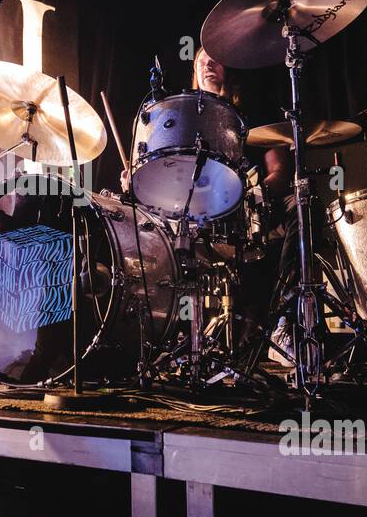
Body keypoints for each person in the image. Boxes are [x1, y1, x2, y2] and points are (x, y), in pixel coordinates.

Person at [120, 47, 297, 366]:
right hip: (185, 216)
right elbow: (150, 169)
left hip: (247, 213)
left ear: (229, 71)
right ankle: (157, 335)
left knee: (301, 206)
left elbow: (281, 171)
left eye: (215, 60)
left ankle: (286, 323)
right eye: (201, 61)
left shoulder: (252, 115)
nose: (208, 65)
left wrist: (254, 192)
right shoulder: (174, 118)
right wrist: (133, 176)